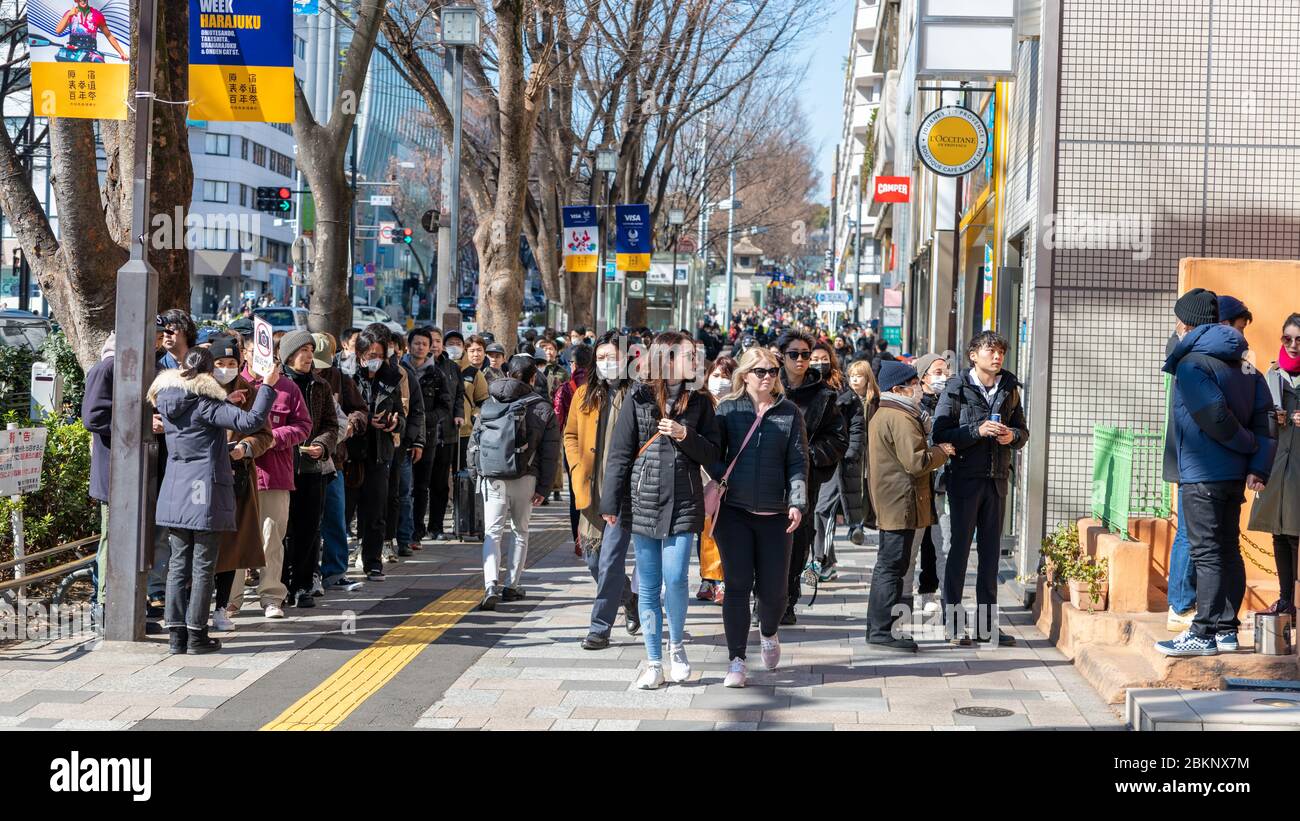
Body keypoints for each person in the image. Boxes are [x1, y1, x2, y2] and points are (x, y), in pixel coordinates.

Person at [1156, 289, 1275, 656]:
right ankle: (1226, 628)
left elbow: (1214, 417)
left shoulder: (1192, 363)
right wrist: (1255, 463)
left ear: (1186, 323)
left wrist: (1246, 446)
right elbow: (1266, 417)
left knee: (1207, 552)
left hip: (1202, 472)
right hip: (1230, 474)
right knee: (1227, 549)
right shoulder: (1245, 364)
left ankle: (1203, 632)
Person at [600, 332, 721, 689]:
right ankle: (653, 661)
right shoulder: (637, 397)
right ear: (666, 359)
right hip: (643, 502)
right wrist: (610, 503)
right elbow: (620, 453)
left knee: (678, 578)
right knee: (649, 587)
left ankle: (677, 647)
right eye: (689, 356)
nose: (696, 362)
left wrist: (686, 435)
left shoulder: (699, 401)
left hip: (684, 501)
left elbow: (715, 456)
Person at [148, 347, 278, 654]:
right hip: (204, 491)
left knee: (178, 565)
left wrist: (225, 402)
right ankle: (197, 635)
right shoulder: (206, 404)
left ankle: (176, 636)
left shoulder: (168, 400)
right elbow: (251, 422)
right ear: (208, 374)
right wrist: (268, 385)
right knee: (204, 565)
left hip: (175, 491)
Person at [711, 348, 808, 687]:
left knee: (774, 591)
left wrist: (797, 501)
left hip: (775, 514)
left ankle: (769, 631)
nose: (767, 376)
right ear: (745, 374)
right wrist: (725, 478)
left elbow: (797, 461)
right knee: (737, 586)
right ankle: (736, 660)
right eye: (760, 371)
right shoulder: (727, 409)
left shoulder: (789, 412)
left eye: (772, 370)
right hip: (734, 512)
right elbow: (713, 456)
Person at [932, 330, 1029, 645]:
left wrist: (1010, 436)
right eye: (991, 351)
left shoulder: (1009, 388)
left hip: (997, 480)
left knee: (991, 557)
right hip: (964, 480)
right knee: (959, 553)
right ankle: (953, 624)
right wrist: (976, 430)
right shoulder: (956, 388)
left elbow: (1023, 431)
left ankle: (987, 627)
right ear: (974, 355)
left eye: (1001, 351)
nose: (997, 357)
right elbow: (940, 432)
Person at [865, 361, 954, 652]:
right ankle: (881, 631)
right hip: (899, 502)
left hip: (896, 500)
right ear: (898, 389)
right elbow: (916, 462)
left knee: (890, 566)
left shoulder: (889, 412)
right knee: (891, 568)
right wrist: (942, 452)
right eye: (913, 383)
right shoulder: (900, 417)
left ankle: (881, 629)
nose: (918, 387)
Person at [470, 355, 561, 610]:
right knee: (520, 531)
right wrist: (544, 487)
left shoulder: (490, 402)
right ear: (533, 378)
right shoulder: (542, 407)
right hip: (526, 477)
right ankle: (511, 585)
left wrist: (477, 473)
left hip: (493, 477)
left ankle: (490, 585)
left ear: (507, 373)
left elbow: (475, 442)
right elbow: (550, 452)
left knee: (493, 532)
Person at [233, 330, 312, 618]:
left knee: (271, 538)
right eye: (256, 354)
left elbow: (304, 426)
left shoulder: (288, 388)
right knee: (236, 537)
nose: (263, 360)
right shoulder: (235, 384)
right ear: (246, 354)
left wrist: (273, 438)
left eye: (270, 356)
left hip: (275, 473)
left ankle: (271, 597)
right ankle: (231, 599)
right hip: (238, 473)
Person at [571, 334, 641, 649]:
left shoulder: (637, 395)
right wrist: (575, 467)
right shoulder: (584, 394)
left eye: (612, 356)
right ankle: (627, 597)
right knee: (592, 561)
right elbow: (569, 434)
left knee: (610, 560)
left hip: (623, 491)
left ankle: (599, 628)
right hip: (590, 489)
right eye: (600, 357)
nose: (606, 363)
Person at [204, 335, 275, 631]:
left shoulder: (249, 390)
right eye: (220, 363)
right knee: (203, 548)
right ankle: (197, 607)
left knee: (232, 549)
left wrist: (245, 447)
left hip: (240, 478)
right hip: (204, 479)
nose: (226, 369)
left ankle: (222, 607)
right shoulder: (200, 391)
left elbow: (265, 434)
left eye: (232, 363)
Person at [777, 330, 847, 625]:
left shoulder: (824, 396)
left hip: (804, 480)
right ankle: (764, 596)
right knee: (764, 538)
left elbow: (838, 438)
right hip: (764, 478)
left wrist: (811, 455)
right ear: (782, 355)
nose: (801, 360)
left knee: (798, 538)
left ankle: (788, 598)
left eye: (806, 355)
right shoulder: (767, 385)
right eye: (794, 354)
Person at [279, 331, 339, 608]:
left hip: (313, 467)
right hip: (281, 466)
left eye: (311, 349)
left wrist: (322, 445)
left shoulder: (321, 385)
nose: (307, 355)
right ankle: (279, 586)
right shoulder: (276, 382)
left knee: (309, 528)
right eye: (302, 349)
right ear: (288, 354)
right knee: (280, 529)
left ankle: (303, 584)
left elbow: (331, 424)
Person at [1249, 313, 1300, 616]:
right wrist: (1273, 417)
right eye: (1287, 339)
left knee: (1294, 532)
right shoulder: (1271, 375)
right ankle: (1286, 601)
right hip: (1277, 464)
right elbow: (1257, 419)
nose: (1293, 345)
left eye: (1299, 340)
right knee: (1280, 533)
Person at [348, 330, 406, 580]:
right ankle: (337, 561)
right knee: (345, 511)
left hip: (380, 453)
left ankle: (373, 562)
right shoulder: (347, 377)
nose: (376, 360)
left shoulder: (391, 378)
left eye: (381, 355)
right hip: (351, 454)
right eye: (372, 355)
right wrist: (366, 421)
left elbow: (402, 415)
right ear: (360, 355)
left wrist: (395, 423)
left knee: (375, 512)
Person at [314, 332, 368, 592]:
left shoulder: (340, 378)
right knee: (305, 521)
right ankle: (305, 573)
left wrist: (353, 423)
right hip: (300, 459)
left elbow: (360, 411)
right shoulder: (288, 380)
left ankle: (334, 572)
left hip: (334, 459)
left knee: (335, 516)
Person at [805, 341, 863, 585]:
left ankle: (819, 560)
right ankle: (826, 562)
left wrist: (850, 452)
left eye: (823, 358)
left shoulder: (844, 390)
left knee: (823, 510)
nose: (819, 362)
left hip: (835, 459)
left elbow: (858, 426)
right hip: (809, 459)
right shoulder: (802, 386)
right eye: (814, 358)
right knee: (810, 511)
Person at [407, 327, 464, 546]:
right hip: (407, 437)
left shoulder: (445, 370)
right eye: (418, 343)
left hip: (438, 435)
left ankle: (432, 527)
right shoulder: (401, 370)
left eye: (431, 342)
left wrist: (430, 418)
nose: (427, 346)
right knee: (409, 487)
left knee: (435, 484)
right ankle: (409, 530)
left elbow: (452, 399)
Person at [697, 355, 739, 602]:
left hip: (728, 477)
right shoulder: (699, 403)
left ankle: (722, 579)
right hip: (702, 476)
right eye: (716, 376)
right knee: (705, 529)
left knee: (723, 529)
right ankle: (708, 578)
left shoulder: (739, 406)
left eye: (726, 377)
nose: (720, 382)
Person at [912, 352, 950, 615]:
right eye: (937, 372)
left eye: (945, 371)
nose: (943, 377)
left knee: (939, 542)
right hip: (921, 481)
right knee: (920, 541)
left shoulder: (950, 402)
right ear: (922, 376)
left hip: (943, 485)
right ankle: (919, 591)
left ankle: (932, 589)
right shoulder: (915, 407)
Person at [82, 333, 114, 617]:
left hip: (130, 470)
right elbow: (92, 417)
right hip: (112, 470)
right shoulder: (106, 368)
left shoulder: (135, 366)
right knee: (111, 536)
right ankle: (103, 603)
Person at [554, 343, 593, 537]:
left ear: (573, 364)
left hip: (574, 449)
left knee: (575, 492)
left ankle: (579, 539)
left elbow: (557, 420)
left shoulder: (565, 389)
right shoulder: (600, 387)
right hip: (597, 446)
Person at [456, 333, 492, 479]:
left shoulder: (483, 373)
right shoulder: (455, 369)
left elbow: (483, 400)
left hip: (471, 430)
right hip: (451, 429)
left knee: (468, 470)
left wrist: (474, 415)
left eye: (479, 350)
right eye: (472, 351)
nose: (476, 354)